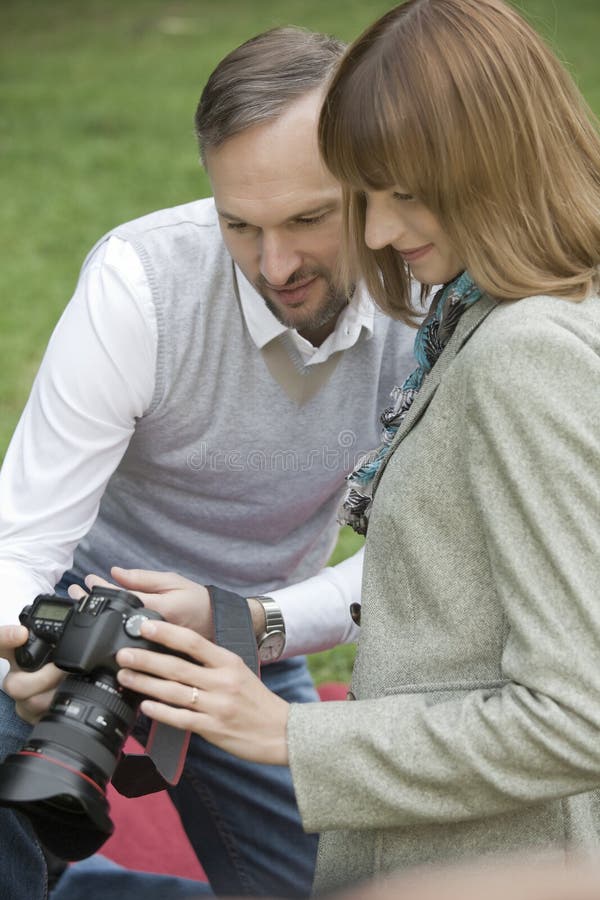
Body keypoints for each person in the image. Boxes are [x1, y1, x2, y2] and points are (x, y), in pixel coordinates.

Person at [85, 0, 600, 896]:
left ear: (493, 157)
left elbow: (577, 717)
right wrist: (259, 622)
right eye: (369, 198)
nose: (376, 235)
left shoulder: (527, 352)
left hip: (478, 859)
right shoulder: (503, 309)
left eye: (403, 194)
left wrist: (287, 734)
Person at [0, 25, 420, 900]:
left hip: (252, 636)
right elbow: (20, 540)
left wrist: (248, 624)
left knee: (339, 890)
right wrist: (24, 658)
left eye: (309, 219)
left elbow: (425, 565)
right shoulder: (139, 282)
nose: (275, 265)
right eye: (240, 224)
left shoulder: (430, 298)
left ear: (374, 187)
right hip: (77, 618)